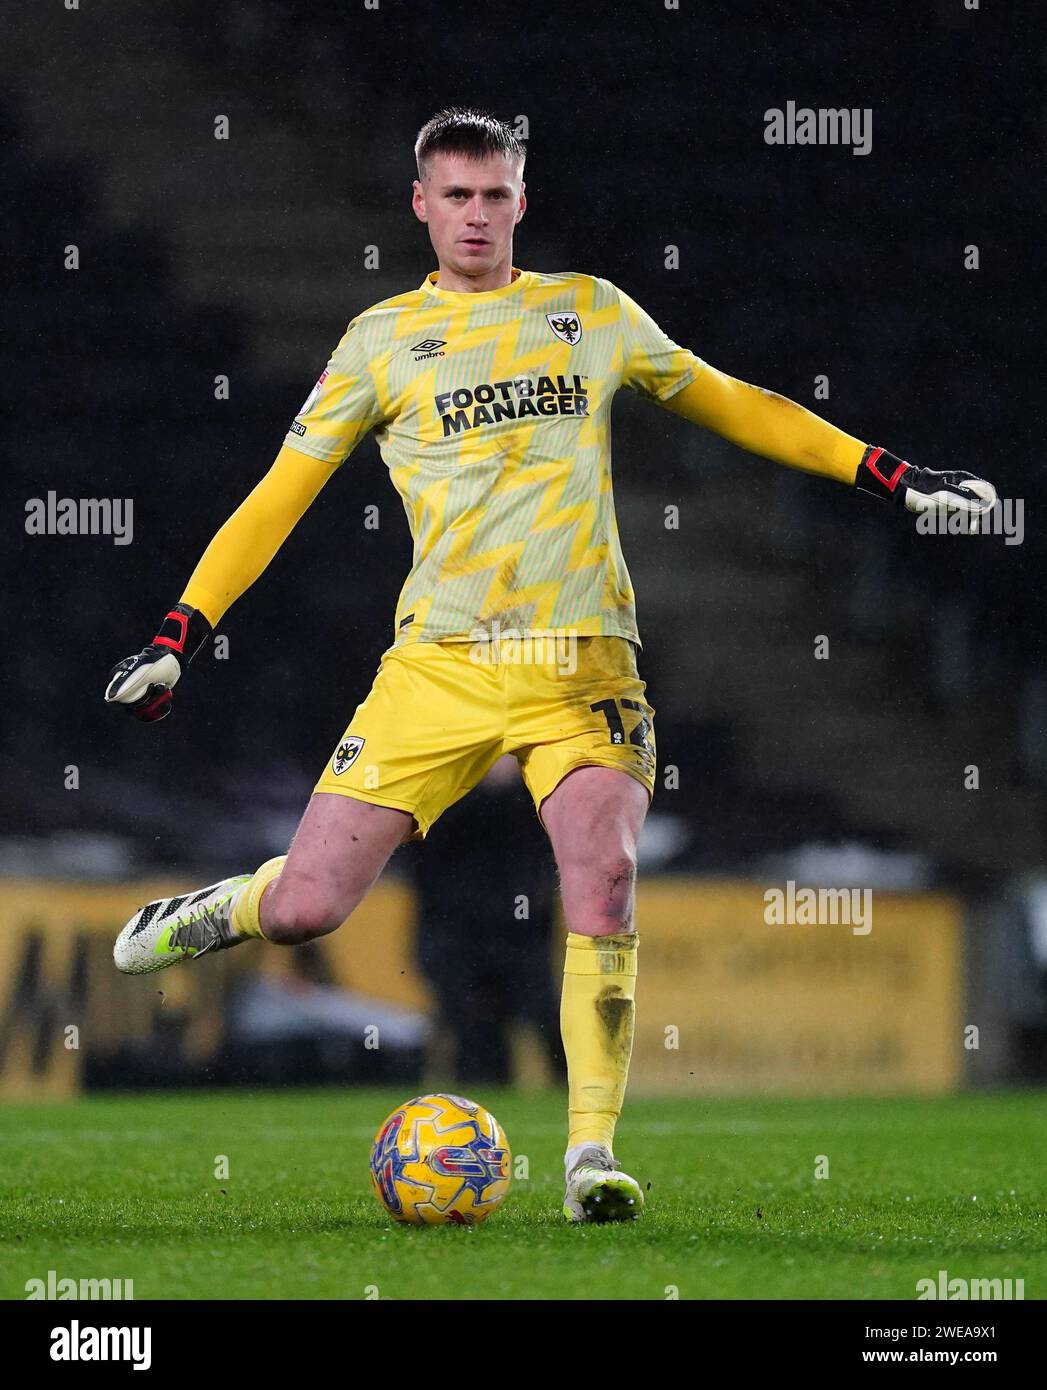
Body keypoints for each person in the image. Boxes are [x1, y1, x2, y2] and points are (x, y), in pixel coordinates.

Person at [106, 106, 996, 1223]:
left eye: (495, 195)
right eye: (456, 196)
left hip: (586, 666)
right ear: (421, 206)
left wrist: (895, 475)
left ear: (521, 200)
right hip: (439, 666)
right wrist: (179, 633)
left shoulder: (591, 313)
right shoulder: (379, 341)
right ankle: (225, 906)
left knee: (606, 882)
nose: (476, 216)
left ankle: (589, 1159)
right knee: (309, 909)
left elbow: (738, 403)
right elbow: (274, 503)